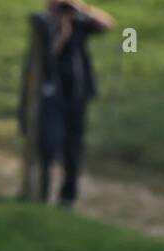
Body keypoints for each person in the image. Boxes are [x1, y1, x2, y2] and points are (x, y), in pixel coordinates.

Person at [28, 0, 115, 206]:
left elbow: (108, 24)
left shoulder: (80, 21)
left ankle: (68, 196)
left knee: (73, 146)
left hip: (77, 92)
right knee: (48, 143)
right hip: (51, 93)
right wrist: (61, 27)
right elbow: (50, 52)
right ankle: (41, 192)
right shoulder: (43, 22)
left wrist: (81, 9)